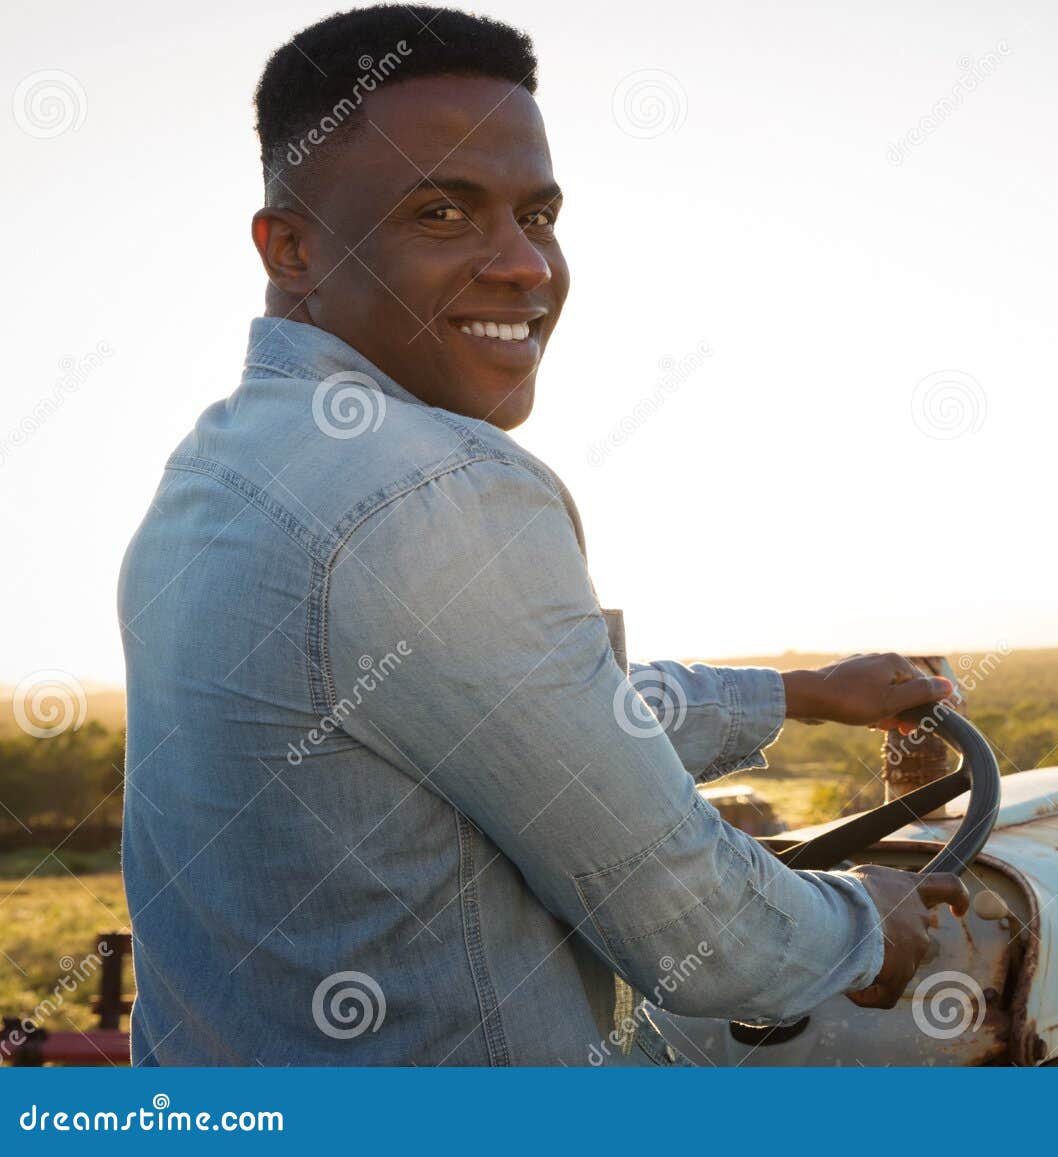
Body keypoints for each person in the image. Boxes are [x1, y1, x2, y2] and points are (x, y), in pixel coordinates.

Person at [117, 4, 965, 1065]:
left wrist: (796, 694)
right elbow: (700, 929)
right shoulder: (440, 489)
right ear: (292, 247)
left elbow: (524, 715)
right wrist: (864, 924)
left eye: (539, 214)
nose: (525, 266)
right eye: (442, 213)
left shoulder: (212, 469)